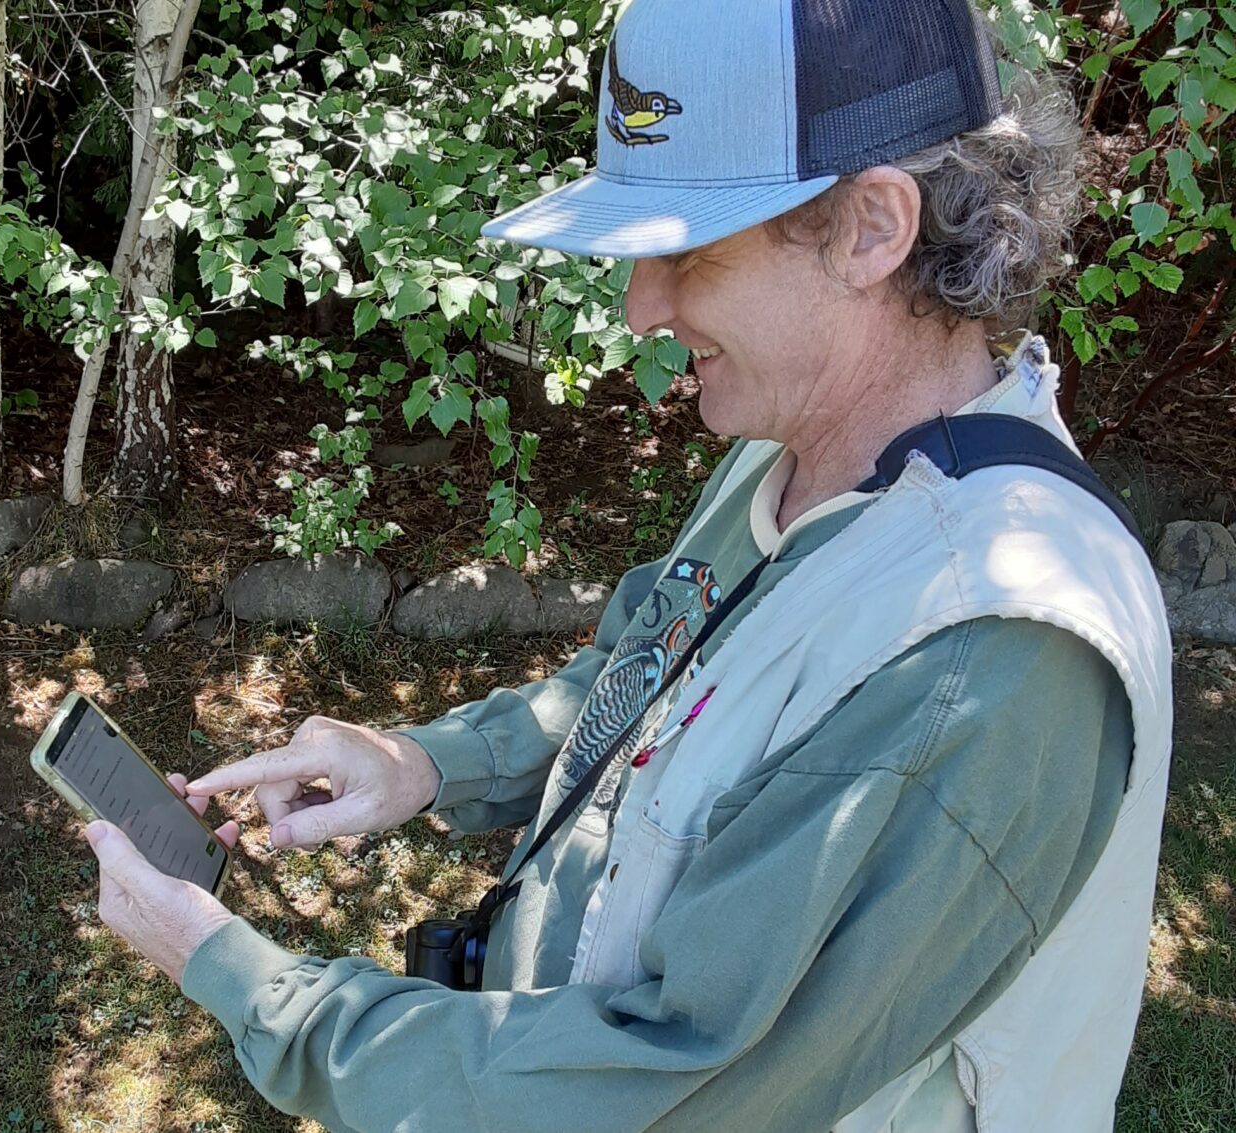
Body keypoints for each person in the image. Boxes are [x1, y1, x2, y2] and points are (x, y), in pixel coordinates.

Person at [84, 1, 1173, 1129]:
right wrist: (421, 763)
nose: (640, 306)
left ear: (871, 228)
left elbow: (678, 1084)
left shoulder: (987, 648)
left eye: (688, 252)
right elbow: (641, 693)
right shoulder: (789, 462)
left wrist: (245, 978)